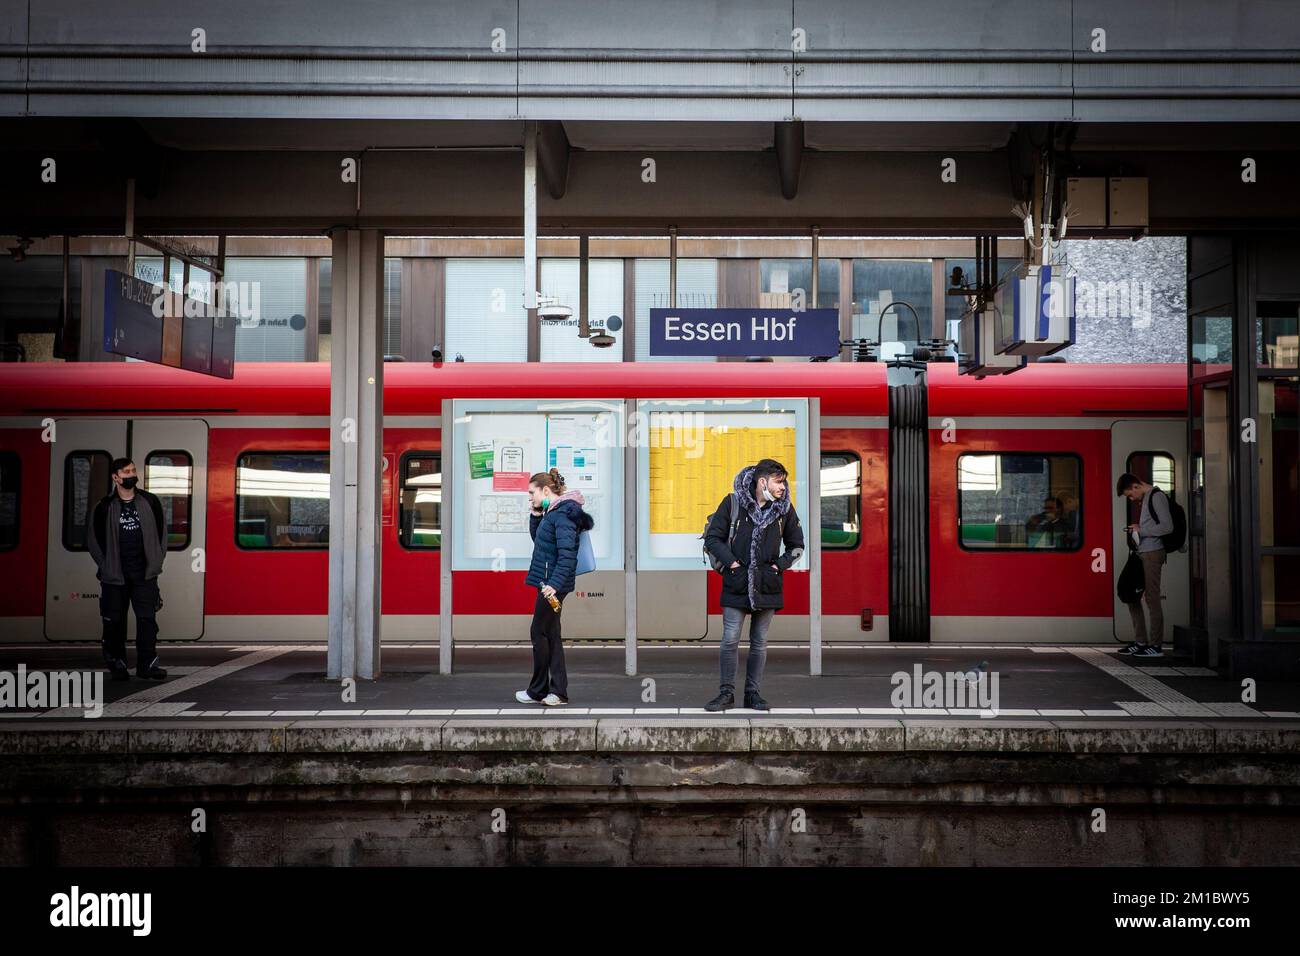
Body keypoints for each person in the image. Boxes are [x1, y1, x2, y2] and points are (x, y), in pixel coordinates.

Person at [702, 458, 805, 712]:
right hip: (736, 582)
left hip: (767, 583)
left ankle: (753, 694)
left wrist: (778, 566)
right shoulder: (733, 502)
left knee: (759, 641)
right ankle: (726, 694)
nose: (783, 487)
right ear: (763, 482)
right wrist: (732, 565)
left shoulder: (784, 509)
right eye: (778, 482)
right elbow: (713, 539)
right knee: (729, 639)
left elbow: (797, 545)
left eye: (784, 482)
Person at [516, 468, 594, 706]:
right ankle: (557, 691)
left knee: (538, 632)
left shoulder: (563, 515)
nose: (530, 497)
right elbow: (540, 541)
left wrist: (554, 585)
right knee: (551, 634)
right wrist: (535, 515)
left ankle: (539, 690)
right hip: (548, 581)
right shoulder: (553, 512)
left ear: (546, 490)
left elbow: (567, 555)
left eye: (532, 493)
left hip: (552, 584)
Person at [85, 458, 168, 680]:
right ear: (115, 477)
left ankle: (147, 665)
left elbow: (162, 534)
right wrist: (106, 566)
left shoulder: (150, 502)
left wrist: (157, 561)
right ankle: (117, 664)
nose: (132, 474)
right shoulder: (104, 507)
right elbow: (93, 541)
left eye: (133, 470)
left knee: (147, 621)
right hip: (115, 577)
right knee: (114, 623)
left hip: (145, 575)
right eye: (126, 471)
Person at [1116, 472, 1173, 658]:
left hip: (1152, 553)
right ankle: (1140, 641)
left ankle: (1155, 645)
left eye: (1130, 495)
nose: (1132, 499)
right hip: (1142, 552)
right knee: (1129, 592)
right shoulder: (1147, 498)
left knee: (1151, 598)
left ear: (1136, 486)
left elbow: (1167, 527)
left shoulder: (1157, 497)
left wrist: (1142, 529)